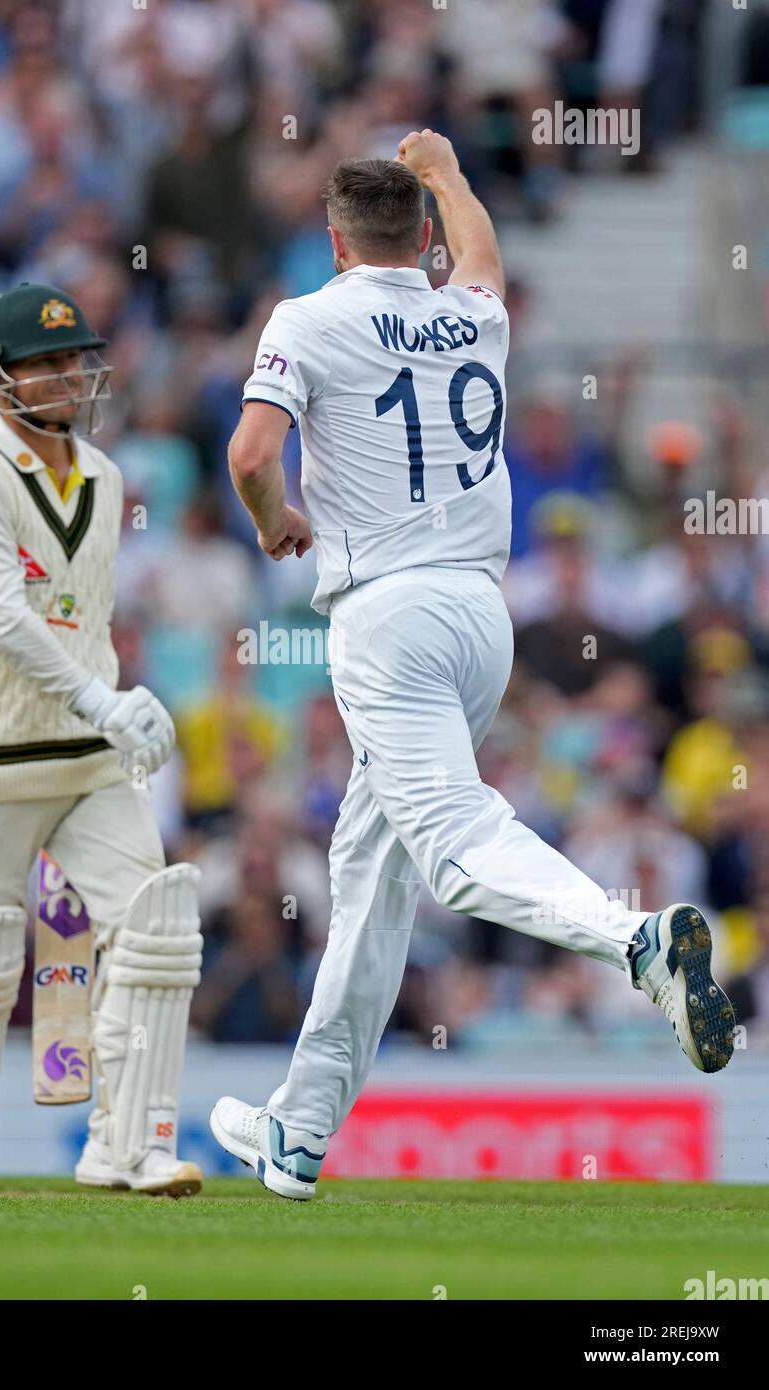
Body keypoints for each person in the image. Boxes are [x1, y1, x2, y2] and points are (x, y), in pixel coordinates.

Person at [211, 131, 736, 1201]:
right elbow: (485, 260)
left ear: (334, 241)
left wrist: (274, 525)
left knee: (447, 847)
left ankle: (634, 940)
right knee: (369, 875)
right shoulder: (472, 310)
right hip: (479, 617)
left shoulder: (308, 318)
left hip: (387, 616)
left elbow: (250, 456)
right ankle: (299, 1134)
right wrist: (450, 176)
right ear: (421, 238)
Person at [0, 282, 203, 1198]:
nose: (72, 375)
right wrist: (101, 700)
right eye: (48, 361)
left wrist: (119, 705)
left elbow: (81, 619)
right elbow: (3, 623)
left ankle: (129, 1142)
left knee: (156, 923)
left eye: (77, 358)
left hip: (87, 758)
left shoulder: (106, 479)